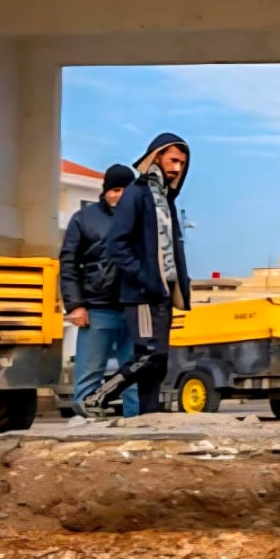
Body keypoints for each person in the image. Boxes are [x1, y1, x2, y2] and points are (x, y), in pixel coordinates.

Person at [88, 134, 191, 416]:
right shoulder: (137, 192)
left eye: (182, 163)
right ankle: (100, 395)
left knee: (159, 363)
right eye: (173, 160)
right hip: (142, 293)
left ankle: (150, 416)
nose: (178, 168)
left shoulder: (166, 197)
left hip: (164, 292)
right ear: (156, 157)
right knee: (149, 355)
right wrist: (143, 276)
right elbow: (116, 244)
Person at [60, 164, 138, 418]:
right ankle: (85, 426)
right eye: (115, 189)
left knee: (134, 375)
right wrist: (75, 305)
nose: (120, 195)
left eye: (126, 190)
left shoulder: (144, 220)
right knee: (90, 373)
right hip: (97, 308)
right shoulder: (83, 219)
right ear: (105, 191)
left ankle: (137, 428)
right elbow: (68, 263)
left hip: (135, 308)